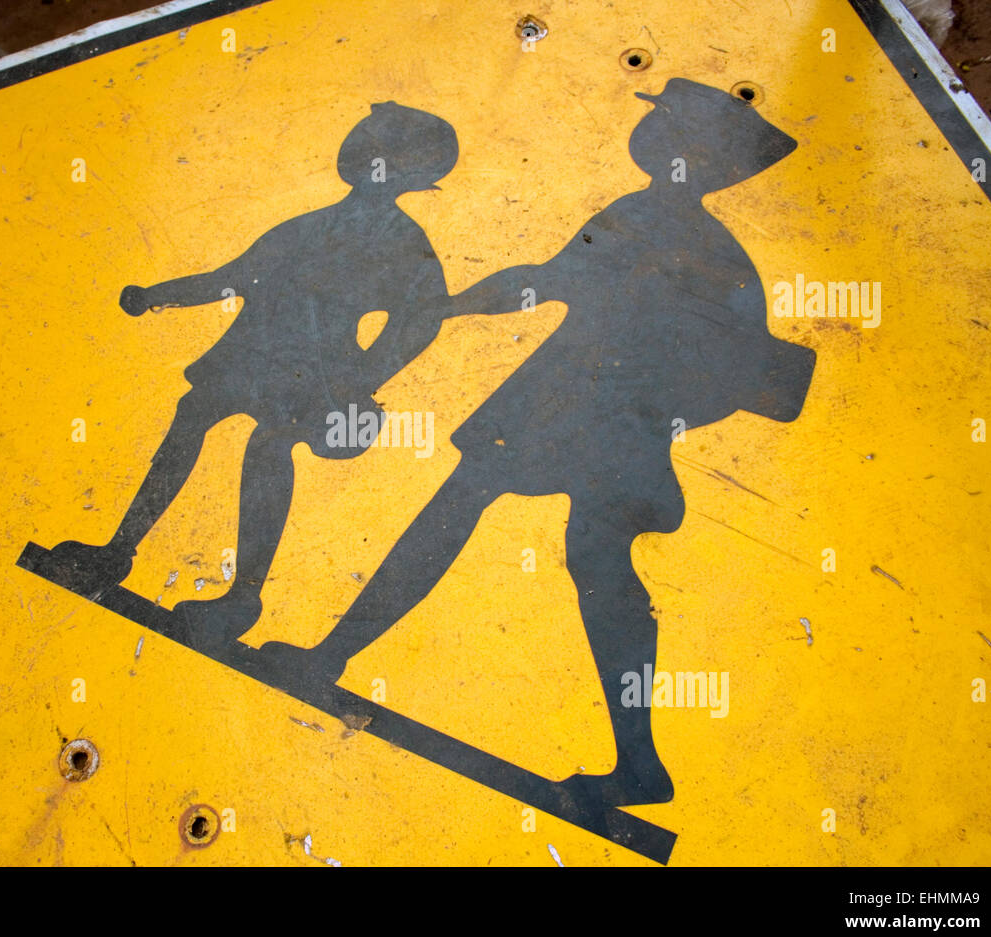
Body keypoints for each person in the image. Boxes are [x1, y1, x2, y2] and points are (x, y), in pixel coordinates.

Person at [256, 79, 816, 809]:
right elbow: (550, 283)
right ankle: (638, 764)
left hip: (579, 409)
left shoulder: (664, 227)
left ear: (682, 151)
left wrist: (637, 405)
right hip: (603, 416)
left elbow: (554, 289)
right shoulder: (692, 237)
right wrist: (459, 305)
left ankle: (332, 658)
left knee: (480, 518)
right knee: (588, 562)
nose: (647, 134)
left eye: (664, 125)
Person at [43, 102, 459, 643]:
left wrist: (363, 377)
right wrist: (157, 297)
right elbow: (231, 279)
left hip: (315, 380)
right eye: (361, 141)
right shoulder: (309, 226)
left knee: (267, 446)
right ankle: (118, 551)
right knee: (194, 414)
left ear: (409, 171)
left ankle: (243, 598)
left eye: (374, 146)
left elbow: (423, 319)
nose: (358, 152)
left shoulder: (403, 244)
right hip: (252, 357)